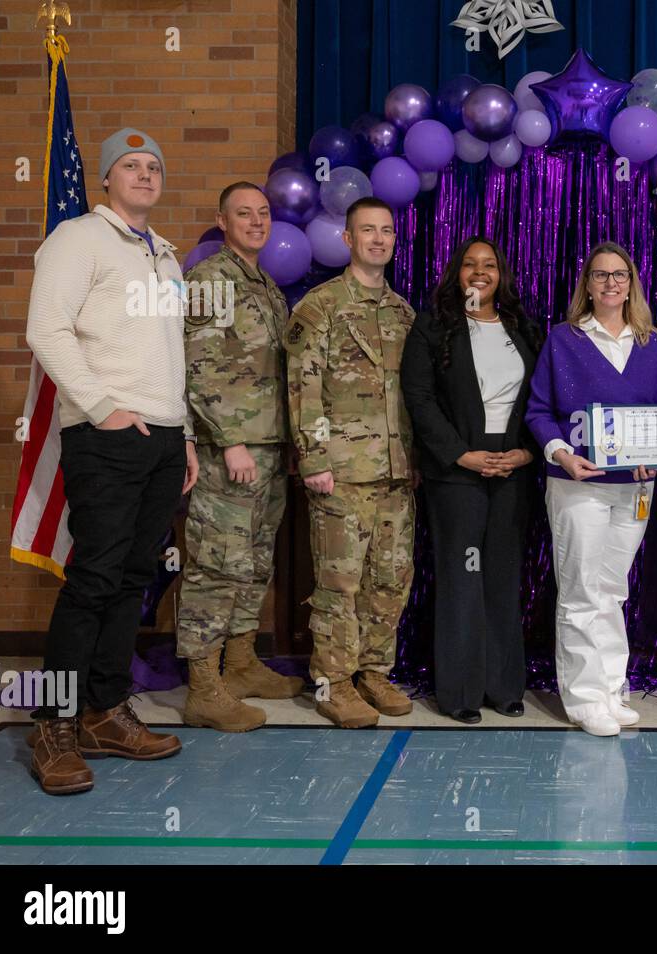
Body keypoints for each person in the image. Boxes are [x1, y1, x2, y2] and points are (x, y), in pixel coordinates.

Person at [24, 127, 194, 794]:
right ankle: (55, 723)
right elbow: (46, 329)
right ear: (106, 178)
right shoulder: (77, 239)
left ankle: (103, 710)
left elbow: (170, 356)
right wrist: (101, 405)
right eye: (131, 165)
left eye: (154, 166)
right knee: (93, 576)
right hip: (107, 433)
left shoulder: (166, 256)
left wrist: (183, 437)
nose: (146, 175)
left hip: (161, 434)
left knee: (130, 578)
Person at [525, 242, 657, 737]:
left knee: (613, 589)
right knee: (582, 590)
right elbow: (538, 411)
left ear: (631, 283)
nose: (611, 284)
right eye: (600, 275)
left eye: (619, 275)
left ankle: (612, 687)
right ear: (586, 284)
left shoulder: (653, 344)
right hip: (578, 485)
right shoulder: (563, 339)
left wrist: (653, 462)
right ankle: (585, 698)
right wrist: (560, 454)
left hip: (634, 489)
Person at [284, 196, 418, 729]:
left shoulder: (404, 313)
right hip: (340, 470)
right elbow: (303, 386)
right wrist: (313, 456)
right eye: (368, 230)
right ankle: (332, 682)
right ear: (347, 239)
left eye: (386, 230)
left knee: (390, 578)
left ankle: (373, 672)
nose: (379, 239)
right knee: (339, 583)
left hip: (396, 470)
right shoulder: (320, 306)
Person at [177, 182, 304, 733]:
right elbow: (197, 366)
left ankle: (242, 663)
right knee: (216, 565)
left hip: (269, 448)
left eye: (263, 213)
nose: (256, 221)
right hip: (229, 449)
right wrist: (228, 440)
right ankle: (204, 688)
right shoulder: (210, 281)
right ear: (221, 221)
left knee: (253, 562)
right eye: (243, 214)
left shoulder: (268, 289)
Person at [403, 237, 541, 724]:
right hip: (457, 470)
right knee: (464, 576)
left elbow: (538, 401)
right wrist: (462, 455)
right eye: (469, 264)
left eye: (489, 265)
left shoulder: (522, 327)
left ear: (500, 274)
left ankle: (504, 687)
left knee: (502, 577)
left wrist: (526, 452)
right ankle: (460, 692)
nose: (479, 272)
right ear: (456, 273)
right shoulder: (433, 325)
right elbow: (418, 398)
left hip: (512, 468)